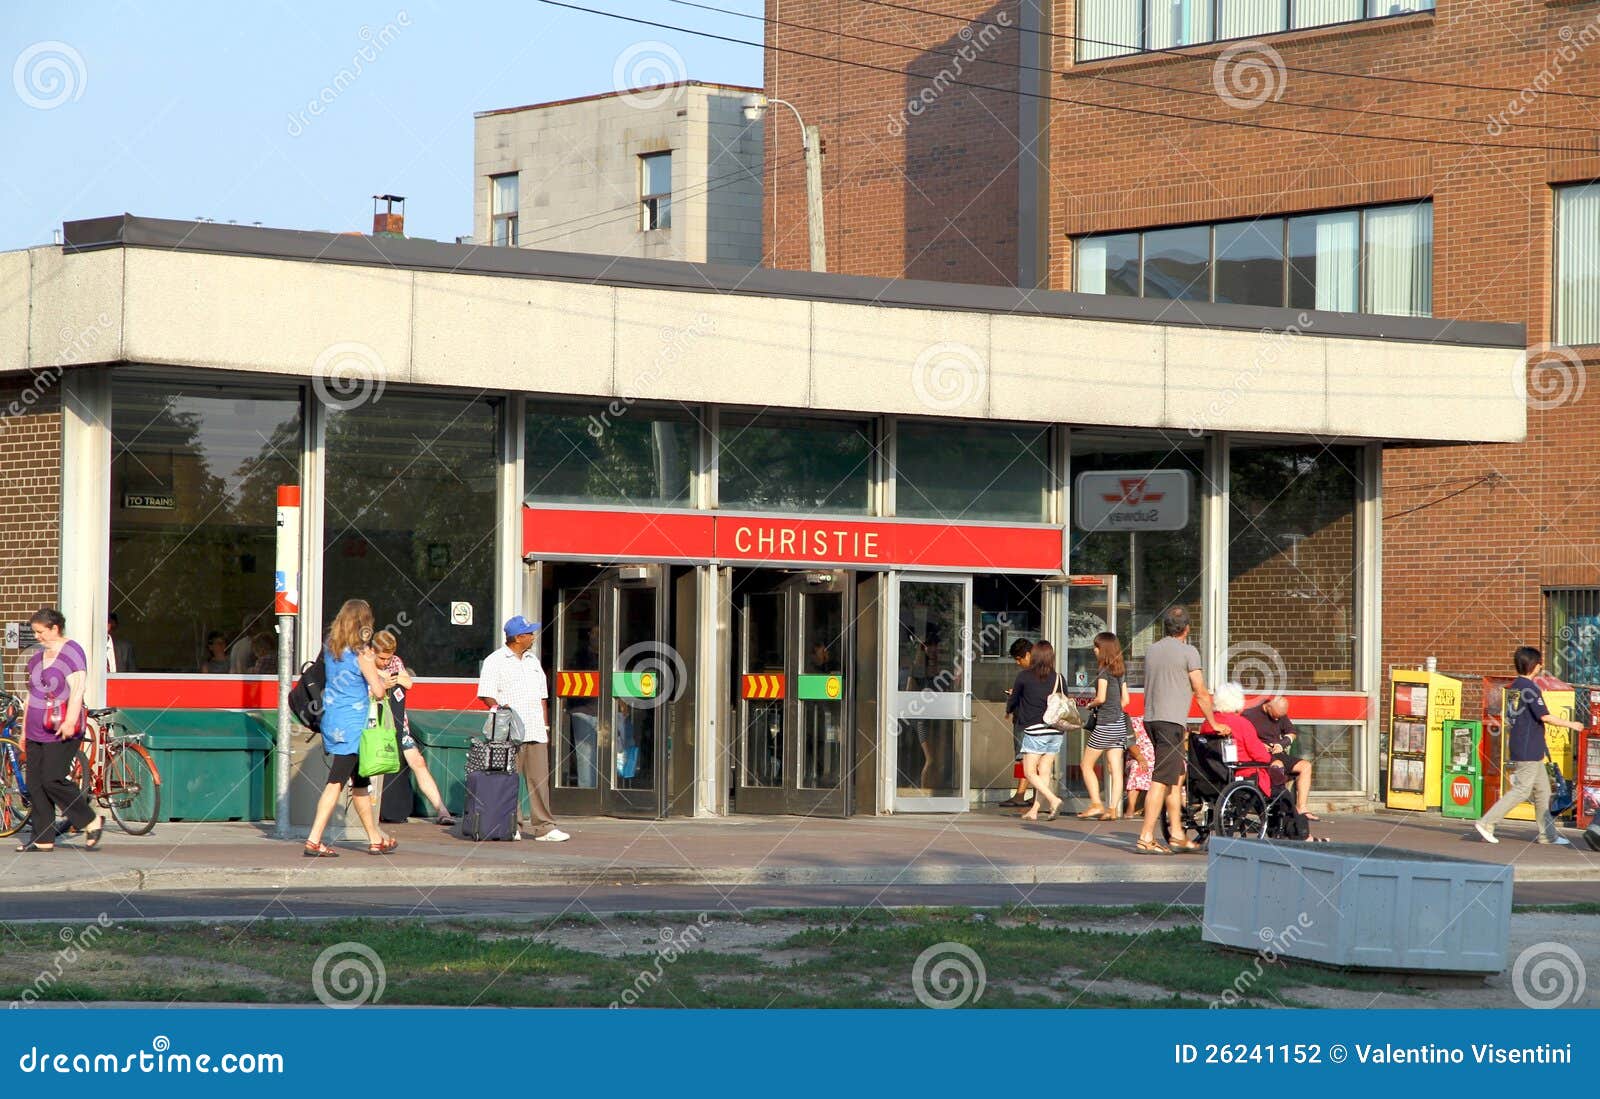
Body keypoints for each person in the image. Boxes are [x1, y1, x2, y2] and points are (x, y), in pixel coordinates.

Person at [302, 599, 397, 858]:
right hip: (353, 726)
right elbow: (378, 691)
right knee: (335, 782)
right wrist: (382, 681)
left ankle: (375, 839)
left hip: (333, 719)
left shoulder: (331, 647)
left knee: (360, 782)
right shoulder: (363, 654)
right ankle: (314, 840)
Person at [1476, 646, 1581, 846]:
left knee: (1543, 791)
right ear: (1533, 665)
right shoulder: (1530, 688)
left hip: (1523, 744)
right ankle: (1487, 822)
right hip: (1528, 748)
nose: (1541, 666)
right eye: (1539, 663)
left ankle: (1548, 835)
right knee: (1522, 790)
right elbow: (1544, 716)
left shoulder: (1515, 687)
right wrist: (1572, 724)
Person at [16, 608, 102, 852]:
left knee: (52, 778)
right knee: (35, 783)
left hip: (61, 728)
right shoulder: (37, 658)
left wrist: (70, 721)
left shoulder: (72, 652)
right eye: (35, 632)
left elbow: (78, 689)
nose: (37, 636)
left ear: (55, 628)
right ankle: (43, 837)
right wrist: (23, 732)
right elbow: (31, 696)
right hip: (35, 729)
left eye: (40, 631)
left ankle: (89, 819)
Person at [477, 615, 568, 842]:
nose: (533, 637)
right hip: (509, 732)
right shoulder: (494, 661)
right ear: (518, 637)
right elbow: (486, 694)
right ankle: (511, 826)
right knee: (510, 780)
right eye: (529, 634)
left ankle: (545, 828)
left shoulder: (532, 661)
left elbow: (542, 697)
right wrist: (501, 710)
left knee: (540, 781)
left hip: (535, 729)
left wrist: (545, 726)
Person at [1135, 606, 1215, 856]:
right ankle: (1146, 837)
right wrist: (1213, 722)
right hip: (1170, 723)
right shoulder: (1189, 652)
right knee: (1160, 780)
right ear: (1187, 628)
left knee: (1176, 775)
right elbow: (1200, 692)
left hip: (1151, 720)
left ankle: (1178, 834)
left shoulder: (1152, 650)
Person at [371, 629, 455, 827]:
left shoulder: (394, 662)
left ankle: (442, 810)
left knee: (418, 762)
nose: (385, 662)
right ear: (373, 651)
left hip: (399, 725)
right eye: (381, 658)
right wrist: (382, 679)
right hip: (373, 727)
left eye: (388, 658)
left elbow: (407, 682)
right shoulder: (364, 662)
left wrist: (387, 675)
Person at [1005, 639, 1067, 822]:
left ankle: (1053, 799)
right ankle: (1035, 810)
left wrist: (1009, 710)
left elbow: (1014, 699)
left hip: (1035, 729)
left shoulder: (1024, 676)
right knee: (1044, 771)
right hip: (1055, 731)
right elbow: (1064, 700)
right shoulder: (1058, 678)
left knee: (1030, 772)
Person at [1078, 631, 1131, 820]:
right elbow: (1126, 700)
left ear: (1103, 649)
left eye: (1096, 646)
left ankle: (1096, 804)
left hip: (1105, 724)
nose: (1094, 649)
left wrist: (1089, 705)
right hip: (1119, 724)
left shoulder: (1103, 670)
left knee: (1086, 765)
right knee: (1116, 769)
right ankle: (1113, 809)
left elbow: (1100, 697)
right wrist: (1114, 709)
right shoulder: (1120, 670)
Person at [1243, 695, 1316, 818]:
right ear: (1268, 707)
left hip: (1277, 752)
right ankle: (1278, 807)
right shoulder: (1250, 715)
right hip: (1259, 754)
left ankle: (1301, 807)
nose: (1277, 719)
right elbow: (1244, 738)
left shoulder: (1280, 715)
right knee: (1278, 766)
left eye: (1280, 717)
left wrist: (1282, 744)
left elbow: (1291, 733)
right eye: (1275, 716)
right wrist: (1260, 745)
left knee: (1305, 766)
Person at [1202, 682, 1276, 795]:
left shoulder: (1207, 724)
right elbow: (1262, 756)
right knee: (1280, 788)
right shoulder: (1242, 723)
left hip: (1212, 776)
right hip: (1241, 776)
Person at [999, 637, 1035, 809]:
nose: (1018, 663)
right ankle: (1036, 795)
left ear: (1027, 655)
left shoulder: (1027, 675)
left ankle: (1020, 794)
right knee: (1034, 760)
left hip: (1025, 721)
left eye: (1019, 659)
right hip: (1037, 722)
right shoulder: (1045, 672)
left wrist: (1014, 696)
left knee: (1023, 758)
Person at [1124, 715, 1153, 817]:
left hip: (1156, 756)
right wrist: (1140, 757)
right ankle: (1131, 807)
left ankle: (1150, 807)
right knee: (1137, 768)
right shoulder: (1135, 721)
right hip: (1137, 755)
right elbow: (1131, 742)